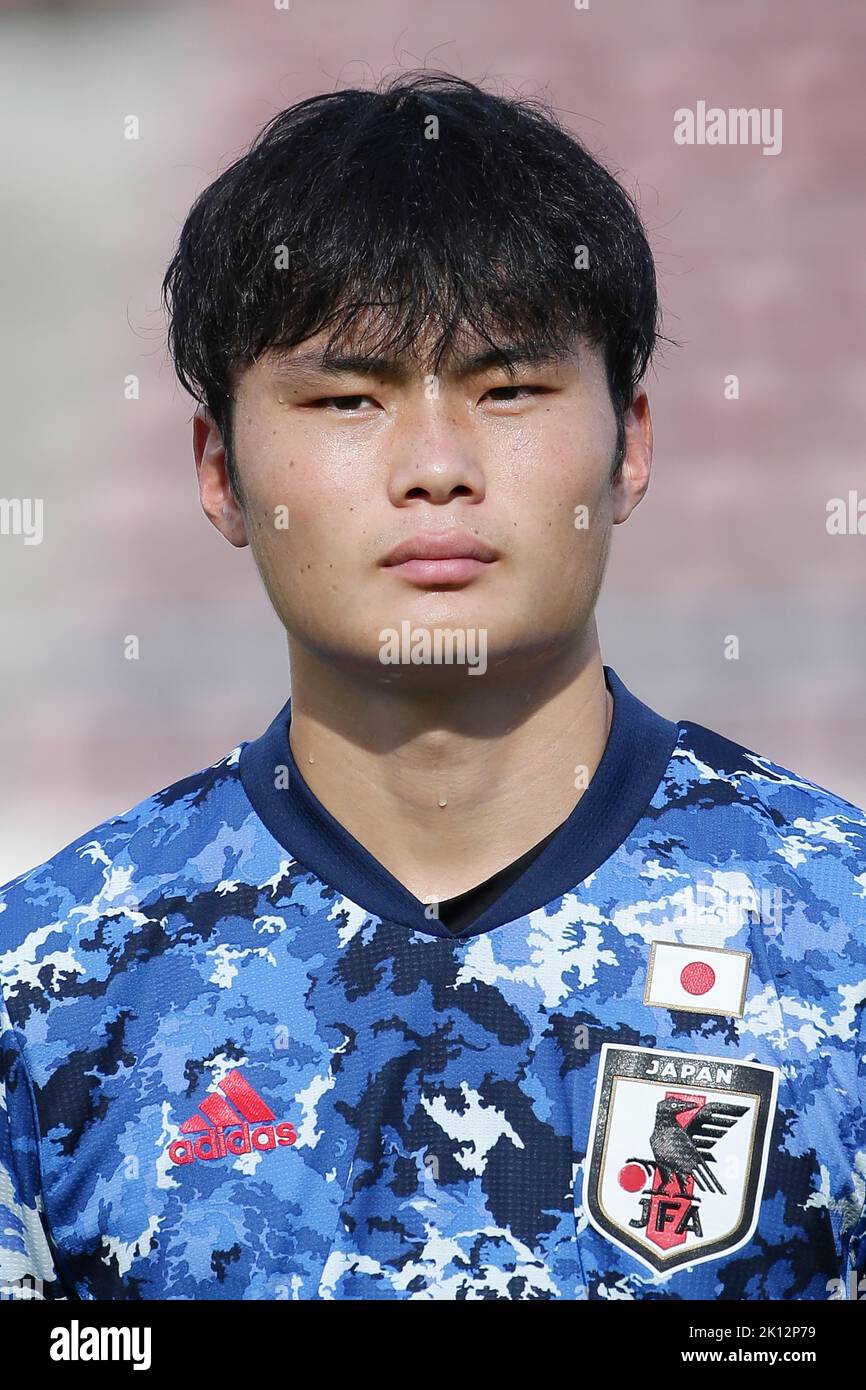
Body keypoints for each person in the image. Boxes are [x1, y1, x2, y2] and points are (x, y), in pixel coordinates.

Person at [1, 72, 863, 1302]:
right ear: (219, 471)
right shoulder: (47, 988)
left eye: (507, 391)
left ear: (630, 441)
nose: (437, 469)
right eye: (347, 399)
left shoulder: (840, 941)